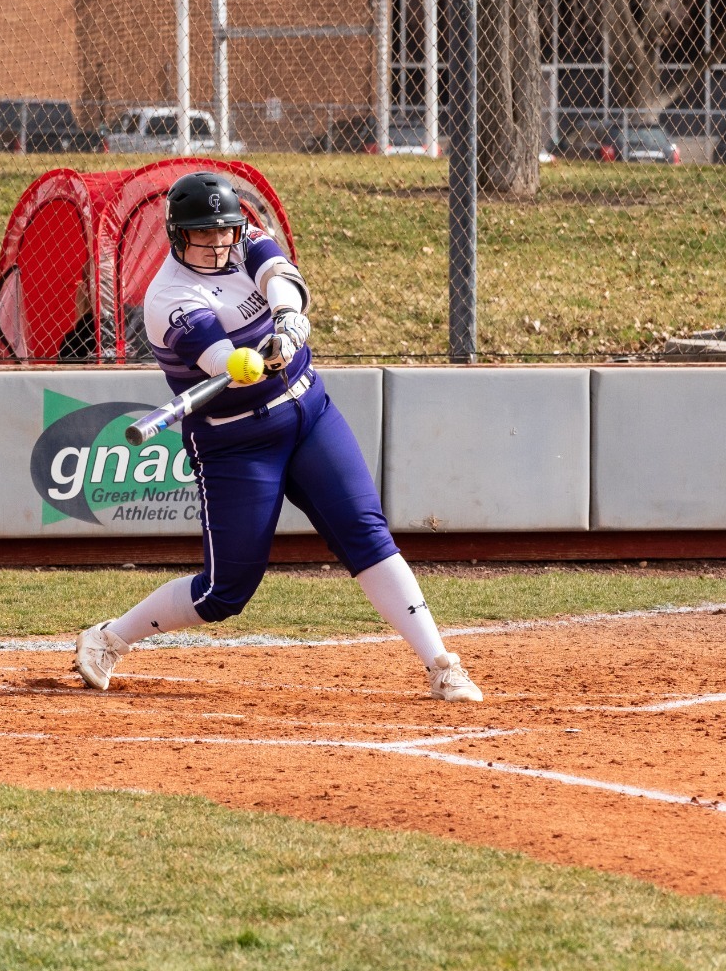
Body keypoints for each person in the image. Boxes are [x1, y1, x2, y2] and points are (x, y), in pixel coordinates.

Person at [73, 171, 483, 701]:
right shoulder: (169, 296)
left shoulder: (244, 238)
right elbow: (214, 353)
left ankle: (441, 664)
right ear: (178, 236)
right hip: (234, 441)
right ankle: (109, 638)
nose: (219, 243)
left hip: (308, 415)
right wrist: (243, 361)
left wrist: (288, 318)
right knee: (226, 592)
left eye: (225, 231)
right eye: (204, 234)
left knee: (365, 532)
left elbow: (277, 276)